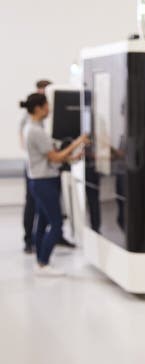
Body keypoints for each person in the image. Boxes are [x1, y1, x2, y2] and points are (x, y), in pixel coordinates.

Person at [20, 93, 88, 276]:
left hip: (40, 180)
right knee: (56, 223)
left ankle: (40, 261)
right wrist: (78, 142)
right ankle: (44, 262)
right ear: (38, 108)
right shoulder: (36, 131)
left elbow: (52, 157)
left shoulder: (33, 128)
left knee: (42, 221)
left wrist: (73, 157)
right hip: (44, 182)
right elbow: (55, 157)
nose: (49, 108)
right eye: (47, 105)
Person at [21, 79, 52, 252]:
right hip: (35, 166)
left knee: (45, 207)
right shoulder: (31, 122)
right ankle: (28, 239)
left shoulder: (47, 115)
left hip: (45, 167)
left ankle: (43, 239)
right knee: (32, 204)